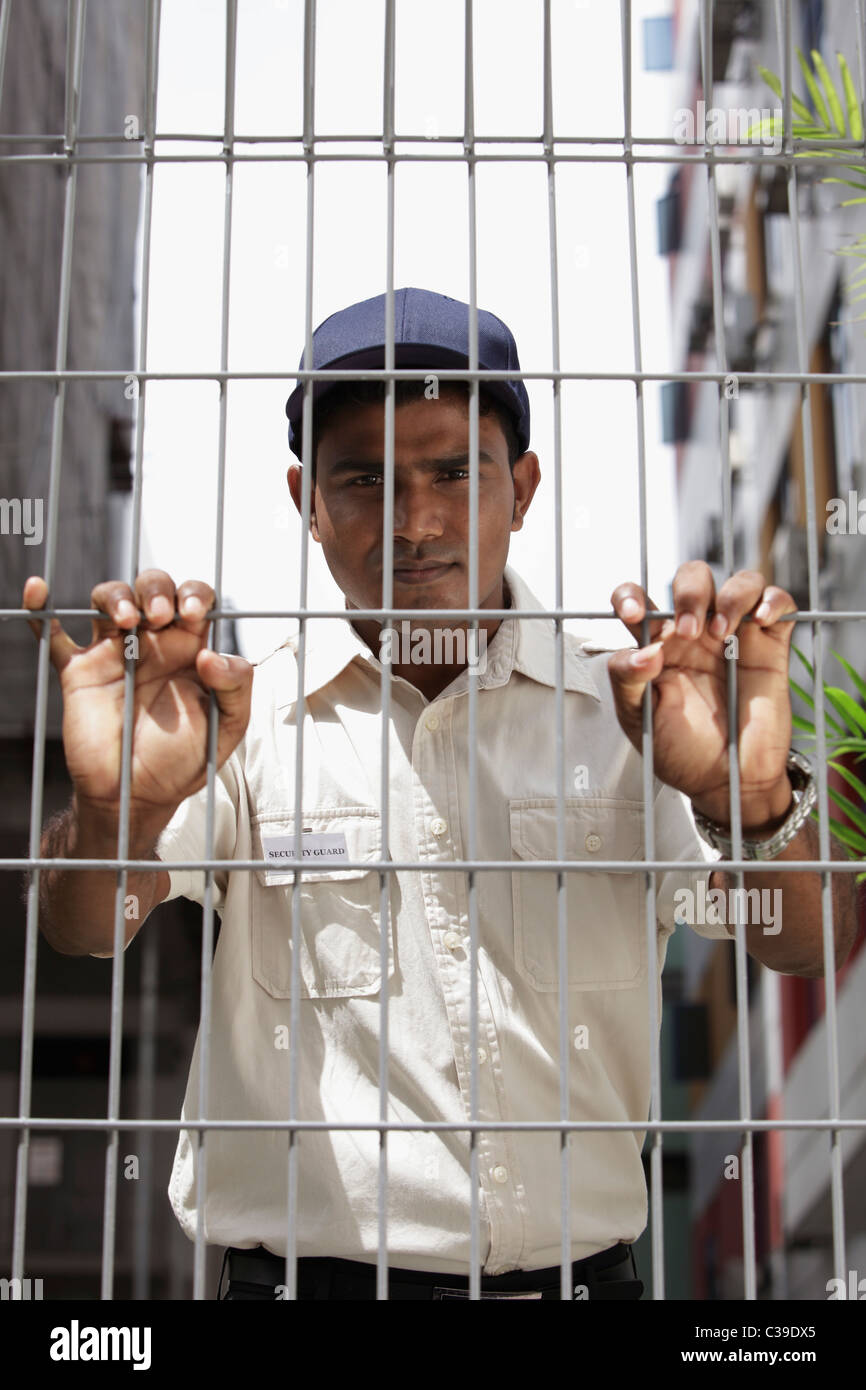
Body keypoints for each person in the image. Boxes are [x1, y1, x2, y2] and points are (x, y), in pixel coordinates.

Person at [26, 288, 857, 1301]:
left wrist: (752, 799)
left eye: (453, 472)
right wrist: (117, 815)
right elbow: (85, 929)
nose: (414, 521)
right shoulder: (236, 714)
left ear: (522, 486)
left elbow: (800, 943)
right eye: (364, 479)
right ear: (307, 503)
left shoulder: (637, 705)